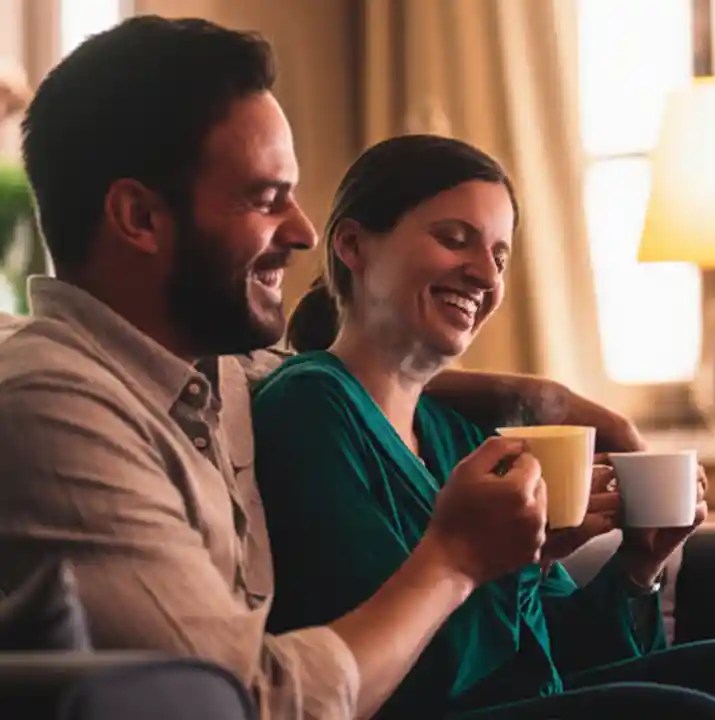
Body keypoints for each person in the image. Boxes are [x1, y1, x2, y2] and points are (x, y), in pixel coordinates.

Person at [0, 16, 647, 719]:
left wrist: (544, 401)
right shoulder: (55, 409)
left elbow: (350, 372)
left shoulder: (215, 373)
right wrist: (457, 559)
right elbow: (251, 704)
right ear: (139, 217)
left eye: (498, 254)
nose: (304, 232)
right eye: (265, 198)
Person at [256, 134, 715, 720]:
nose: (485, 277)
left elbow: (564, 663)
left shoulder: (462, 440)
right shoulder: (313, 408)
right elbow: (410, 678)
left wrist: (637, 567)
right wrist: (517, 563)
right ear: (353, 246)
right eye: (453, 239)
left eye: (498, 255)